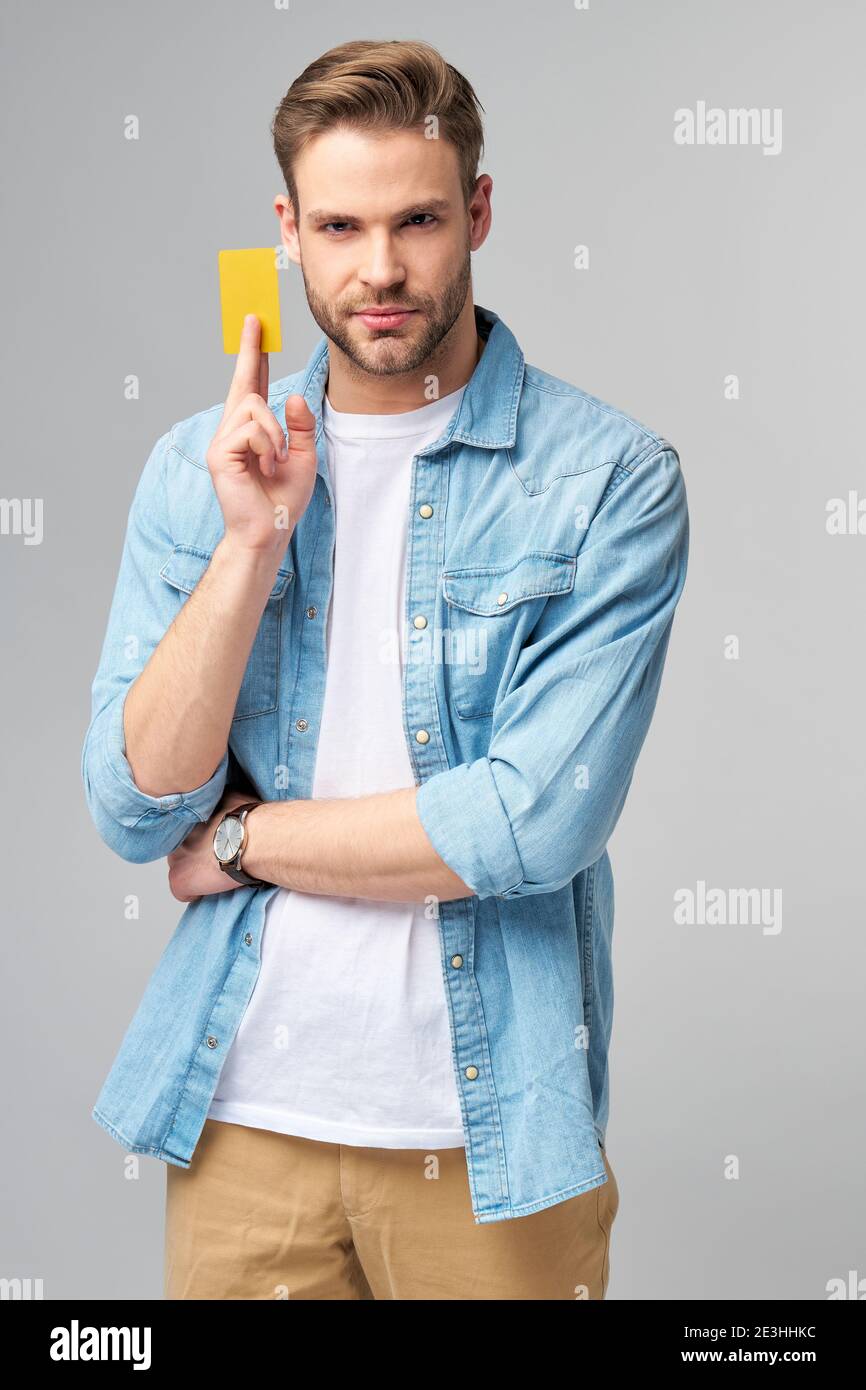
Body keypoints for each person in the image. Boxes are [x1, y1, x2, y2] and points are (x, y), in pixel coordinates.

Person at [82, 38, 689, 1300]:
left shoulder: (607, 482)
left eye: (416, 219)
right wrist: (251, 544)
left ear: (475, 209)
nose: (379, 269)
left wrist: (247, 845)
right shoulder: (197, 471)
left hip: (488, 1138)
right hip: (241, 1110)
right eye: (341, 224)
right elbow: (136, 801)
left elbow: (526, 823)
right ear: (286, 230)